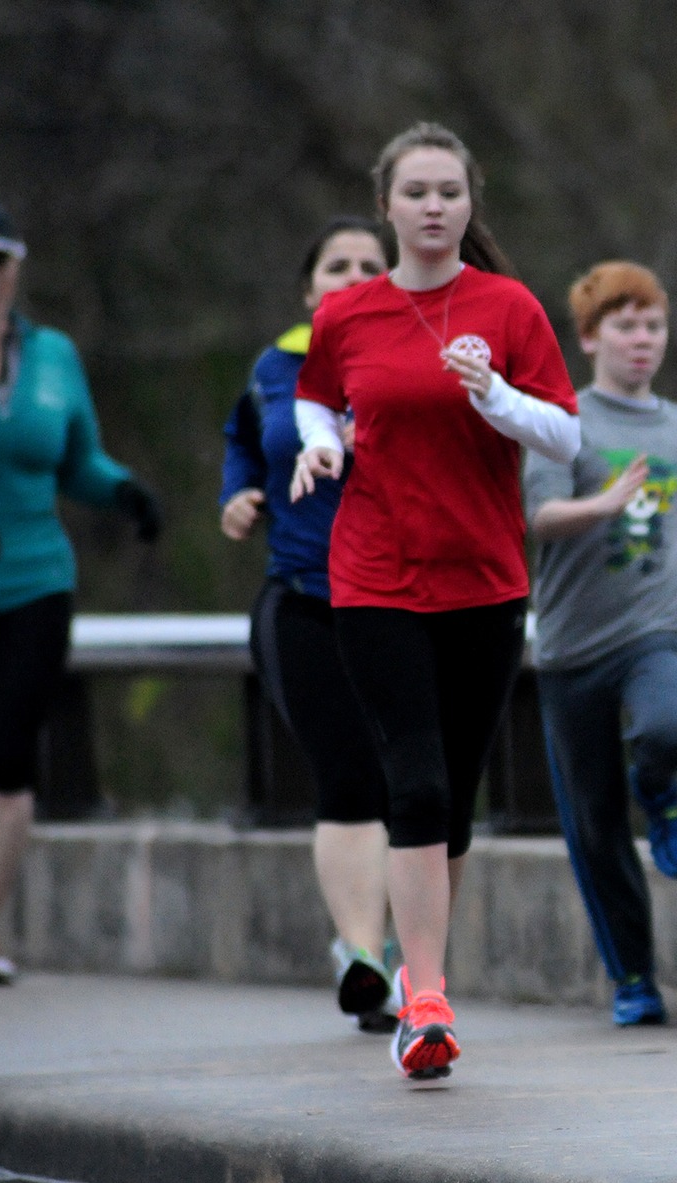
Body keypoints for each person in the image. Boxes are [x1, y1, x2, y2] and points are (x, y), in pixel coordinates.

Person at [291, 122, 581, 1080]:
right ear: (387, 205)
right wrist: (321, 443)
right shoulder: (349, 314)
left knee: (453, 795)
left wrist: (492, 392)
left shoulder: (508, 307)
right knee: (410, 781)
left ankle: (427, 974)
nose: (431, 207)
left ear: (469, 204)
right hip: (374, 574)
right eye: (414, 192)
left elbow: (565, 437)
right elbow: (314, 396)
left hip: (485, 579)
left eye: (448, 192)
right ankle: (424, 999)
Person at [0, 197, 163, 988]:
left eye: (1, 262)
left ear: (17, 267)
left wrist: (123, 491)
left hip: (34, 575)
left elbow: (75, 458)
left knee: (6, 755)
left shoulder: (52, 355)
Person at [524, 261, 677, 1027]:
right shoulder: (559, 420)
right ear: (590, 336)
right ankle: (634, 978)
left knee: (667, 729)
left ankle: (659, 786)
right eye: (624, 326)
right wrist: (605, 501)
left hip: (655, 624)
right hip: (569, 645)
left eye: (652, 325)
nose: (641, 340)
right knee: (594, 824)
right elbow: (539, 516)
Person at [221, 216, 402, 1032]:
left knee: (408, 783)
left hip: (399, 596)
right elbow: (241, 437)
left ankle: (400, 955)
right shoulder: (275, 366)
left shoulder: (408, 359)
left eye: (369, 264)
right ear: (309, 287)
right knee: (346, 774)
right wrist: (242, 492)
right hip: (302, 595)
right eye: (337, 264)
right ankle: (363, 956)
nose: (353, 275)